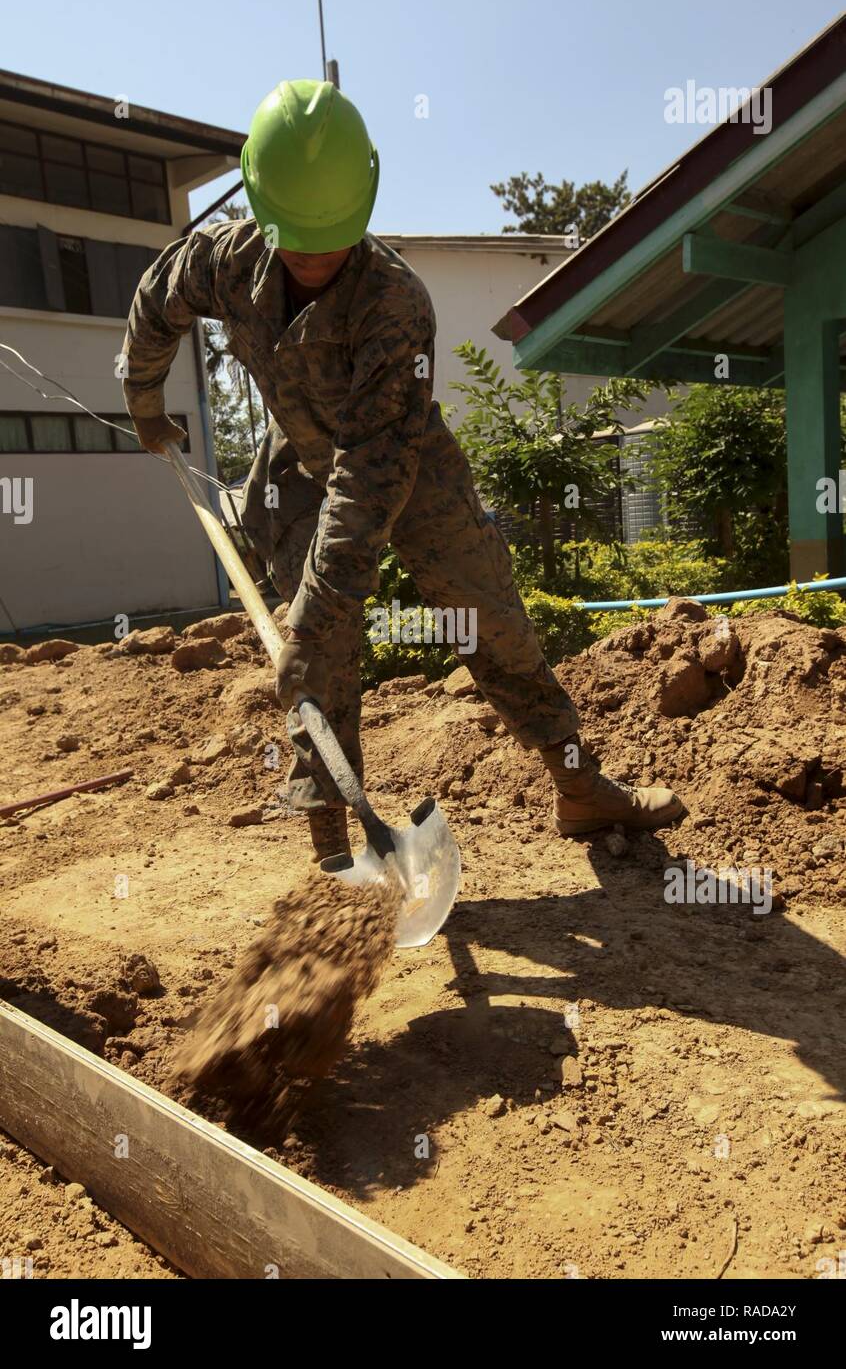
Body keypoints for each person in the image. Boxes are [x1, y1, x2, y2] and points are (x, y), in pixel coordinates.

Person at [123, 78, 683, 863]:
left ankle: (580, 785)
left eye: (334, 236)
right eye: (299, 237)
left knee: (486, 616)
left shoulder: (395, 303)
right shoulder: (221, 260)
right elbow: (155, 302)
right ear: (259, 202)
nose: (316, 257)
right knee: (325, 663)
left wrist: (314, 617)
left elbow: (367, 480)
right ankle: (333, 853)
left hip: (401, 466)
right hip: (294, 462)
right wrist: (143, 398)